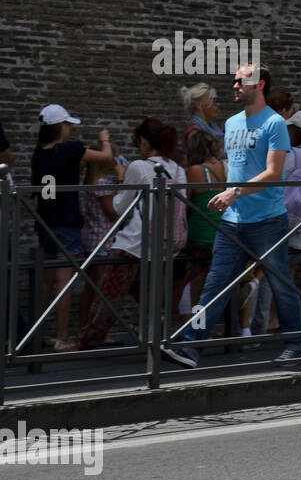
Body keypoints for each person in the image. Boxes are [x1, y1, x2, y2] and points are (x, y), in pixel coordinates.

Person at [163, 63, 301, 367]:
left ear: (260, 85)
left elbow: (273, 173)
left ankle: (297, 344)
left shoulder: (274, 124)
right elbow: (236, 167)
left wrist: (233, 192)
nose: (235, 86)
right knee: (214, 285)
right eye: (234, 81)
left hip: (267, 220)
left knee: (280, 284)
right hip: (232, 220)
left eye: (242, 81)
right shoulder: (230, 124)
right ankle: (191, 346)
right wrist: (222, 192)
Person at [75, 119, 185, 350]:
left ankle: (87, 340)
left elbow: (119, 208)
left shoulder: (138, 166)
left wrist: (120, 179)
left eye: (138, 143)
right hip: (168, 244)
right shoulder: (179, 170)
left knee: (110, 294)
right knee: (147, 293)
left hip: (136, 243)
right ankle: (156, 332)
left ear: (144, 142)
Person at [31, 105, 118, 350]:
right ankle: (61, 337)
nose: (70, 128)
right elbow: (106, 158)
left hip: (45, 221)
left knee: (46, 282)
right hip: (66, 222)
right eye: (67, 124)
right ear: (60, 127)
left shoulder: (40, 153)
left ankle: (34, 335)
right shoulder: (70, 149)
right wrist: (105, 140)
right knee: (64, 282)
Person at [252, 113, 301, 335]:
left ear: (294, 131)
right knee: (286, 276)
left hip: (277, 227)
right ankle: (285, 324)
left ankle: (259, 327)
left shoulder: (284, 156)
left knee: (269, 276)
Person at [77, 141, 126, 340]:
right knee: (100, 291)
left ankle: (83, 330)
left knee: (90, 289)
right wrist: (122, 180)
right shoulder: (103, 182)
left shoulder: (92, 180)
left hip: (91, 238)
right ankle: (93, 333)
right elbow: (113, 212)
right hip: (102, 241)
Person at [176, 129, 226, 323]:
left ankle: (192, 325)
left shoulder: (195, 170)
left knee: (189, 283)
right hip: (220, 233)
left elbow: (185, 205)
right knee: (207, 284)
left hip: (199, 235)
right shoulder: (222, 167)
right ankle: (203, 325)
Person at [179, 83, 223, 155]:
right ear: (199, 105)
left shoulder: (214, 128)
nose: (218, 104)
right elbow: (198, 160)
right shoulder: (194, 131)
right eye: (213, 100)